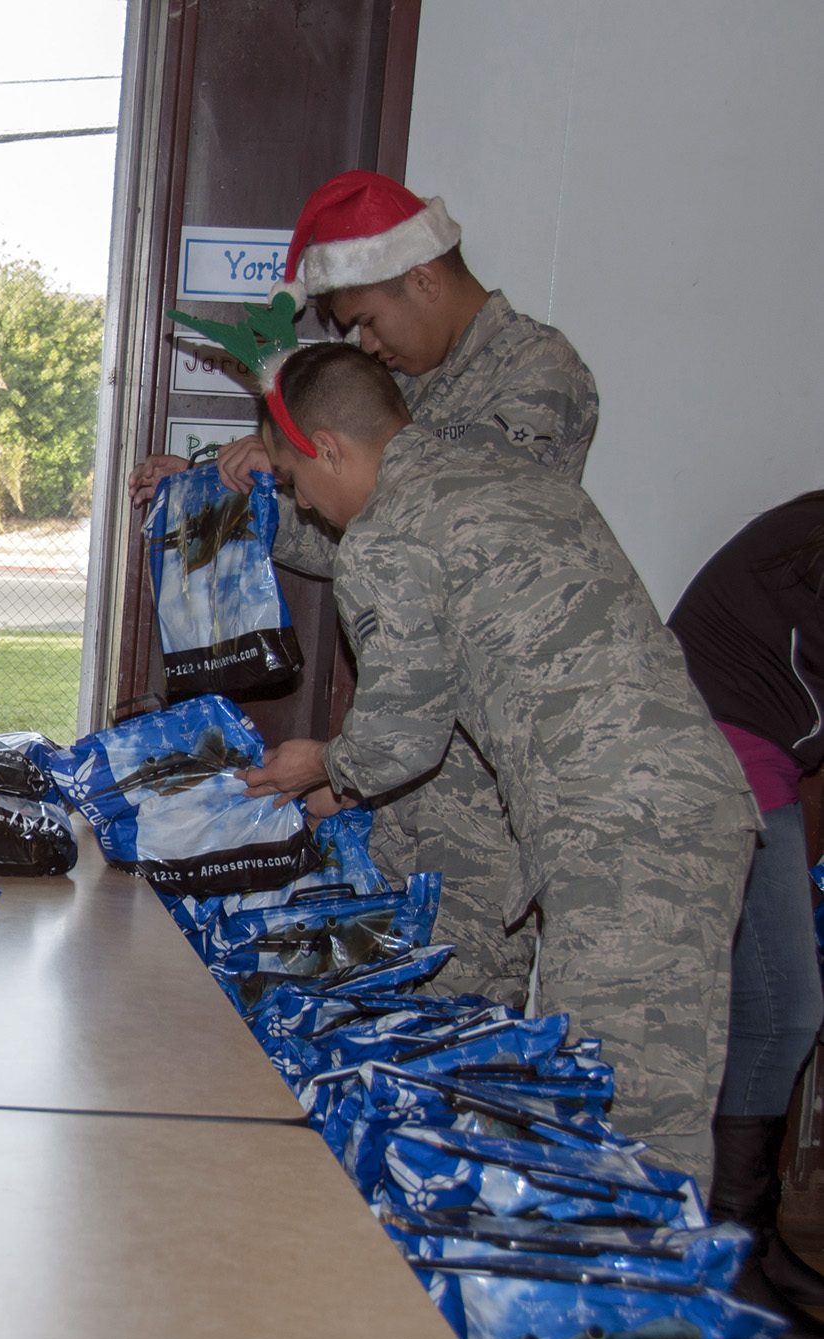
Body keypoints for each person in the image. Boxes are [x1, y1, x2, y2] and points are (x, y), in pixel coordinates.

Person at [240, 342, 756, 1186]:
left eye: (298, 486)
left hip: (616, 833)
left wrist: (322, 767)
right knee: (649, 1104)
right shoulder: (513, 478)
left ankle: (616, 1306)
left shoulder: (386, 535)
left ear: (328, 448)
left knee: (612, 1126)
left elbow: (402, 737)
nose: (314, 512)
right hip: (685, 804)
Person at [132, 171, 600, 1008]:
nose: (371, 346)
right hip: (401, 761)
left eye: (368, 322)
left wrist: (295, 455)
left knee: (460, 1004)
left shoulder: (537, 370)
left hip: (482, 771)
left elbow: (441, 523)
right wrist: (235, 496)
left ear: (421, 277)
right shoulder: (411, 388)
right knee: (379, 998)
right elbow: (344, 532)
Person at [669, 494, 824, 1331]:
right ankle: (730, 1253)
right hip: (727, 748)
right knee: (782, 1011)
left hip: (760, 752)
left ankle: (754, 1243)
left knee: (774, 1011)